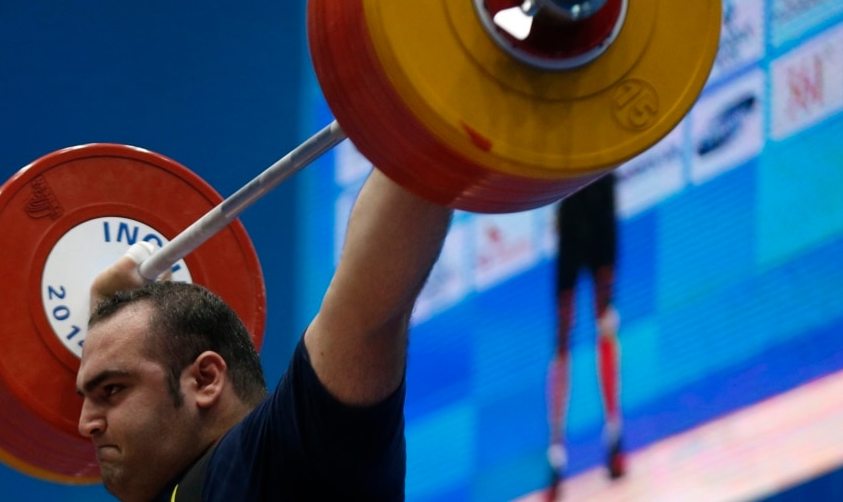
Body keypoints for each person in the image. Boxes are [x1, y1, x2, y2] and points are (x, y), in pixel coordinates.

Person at [75, 169, 453, 501]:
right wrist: (107, 317)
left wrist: (429, 124)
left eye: (112, 390)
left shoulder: (279, 457)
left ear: (205, 379)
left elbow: (367, 315)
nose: (85, 424)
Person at [545, 171, 625, 501]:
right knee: (563, 338)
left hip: (601, 196)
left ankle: (615, 439)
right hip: (569, 200)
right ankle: (555, 460)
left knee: (605, 322)